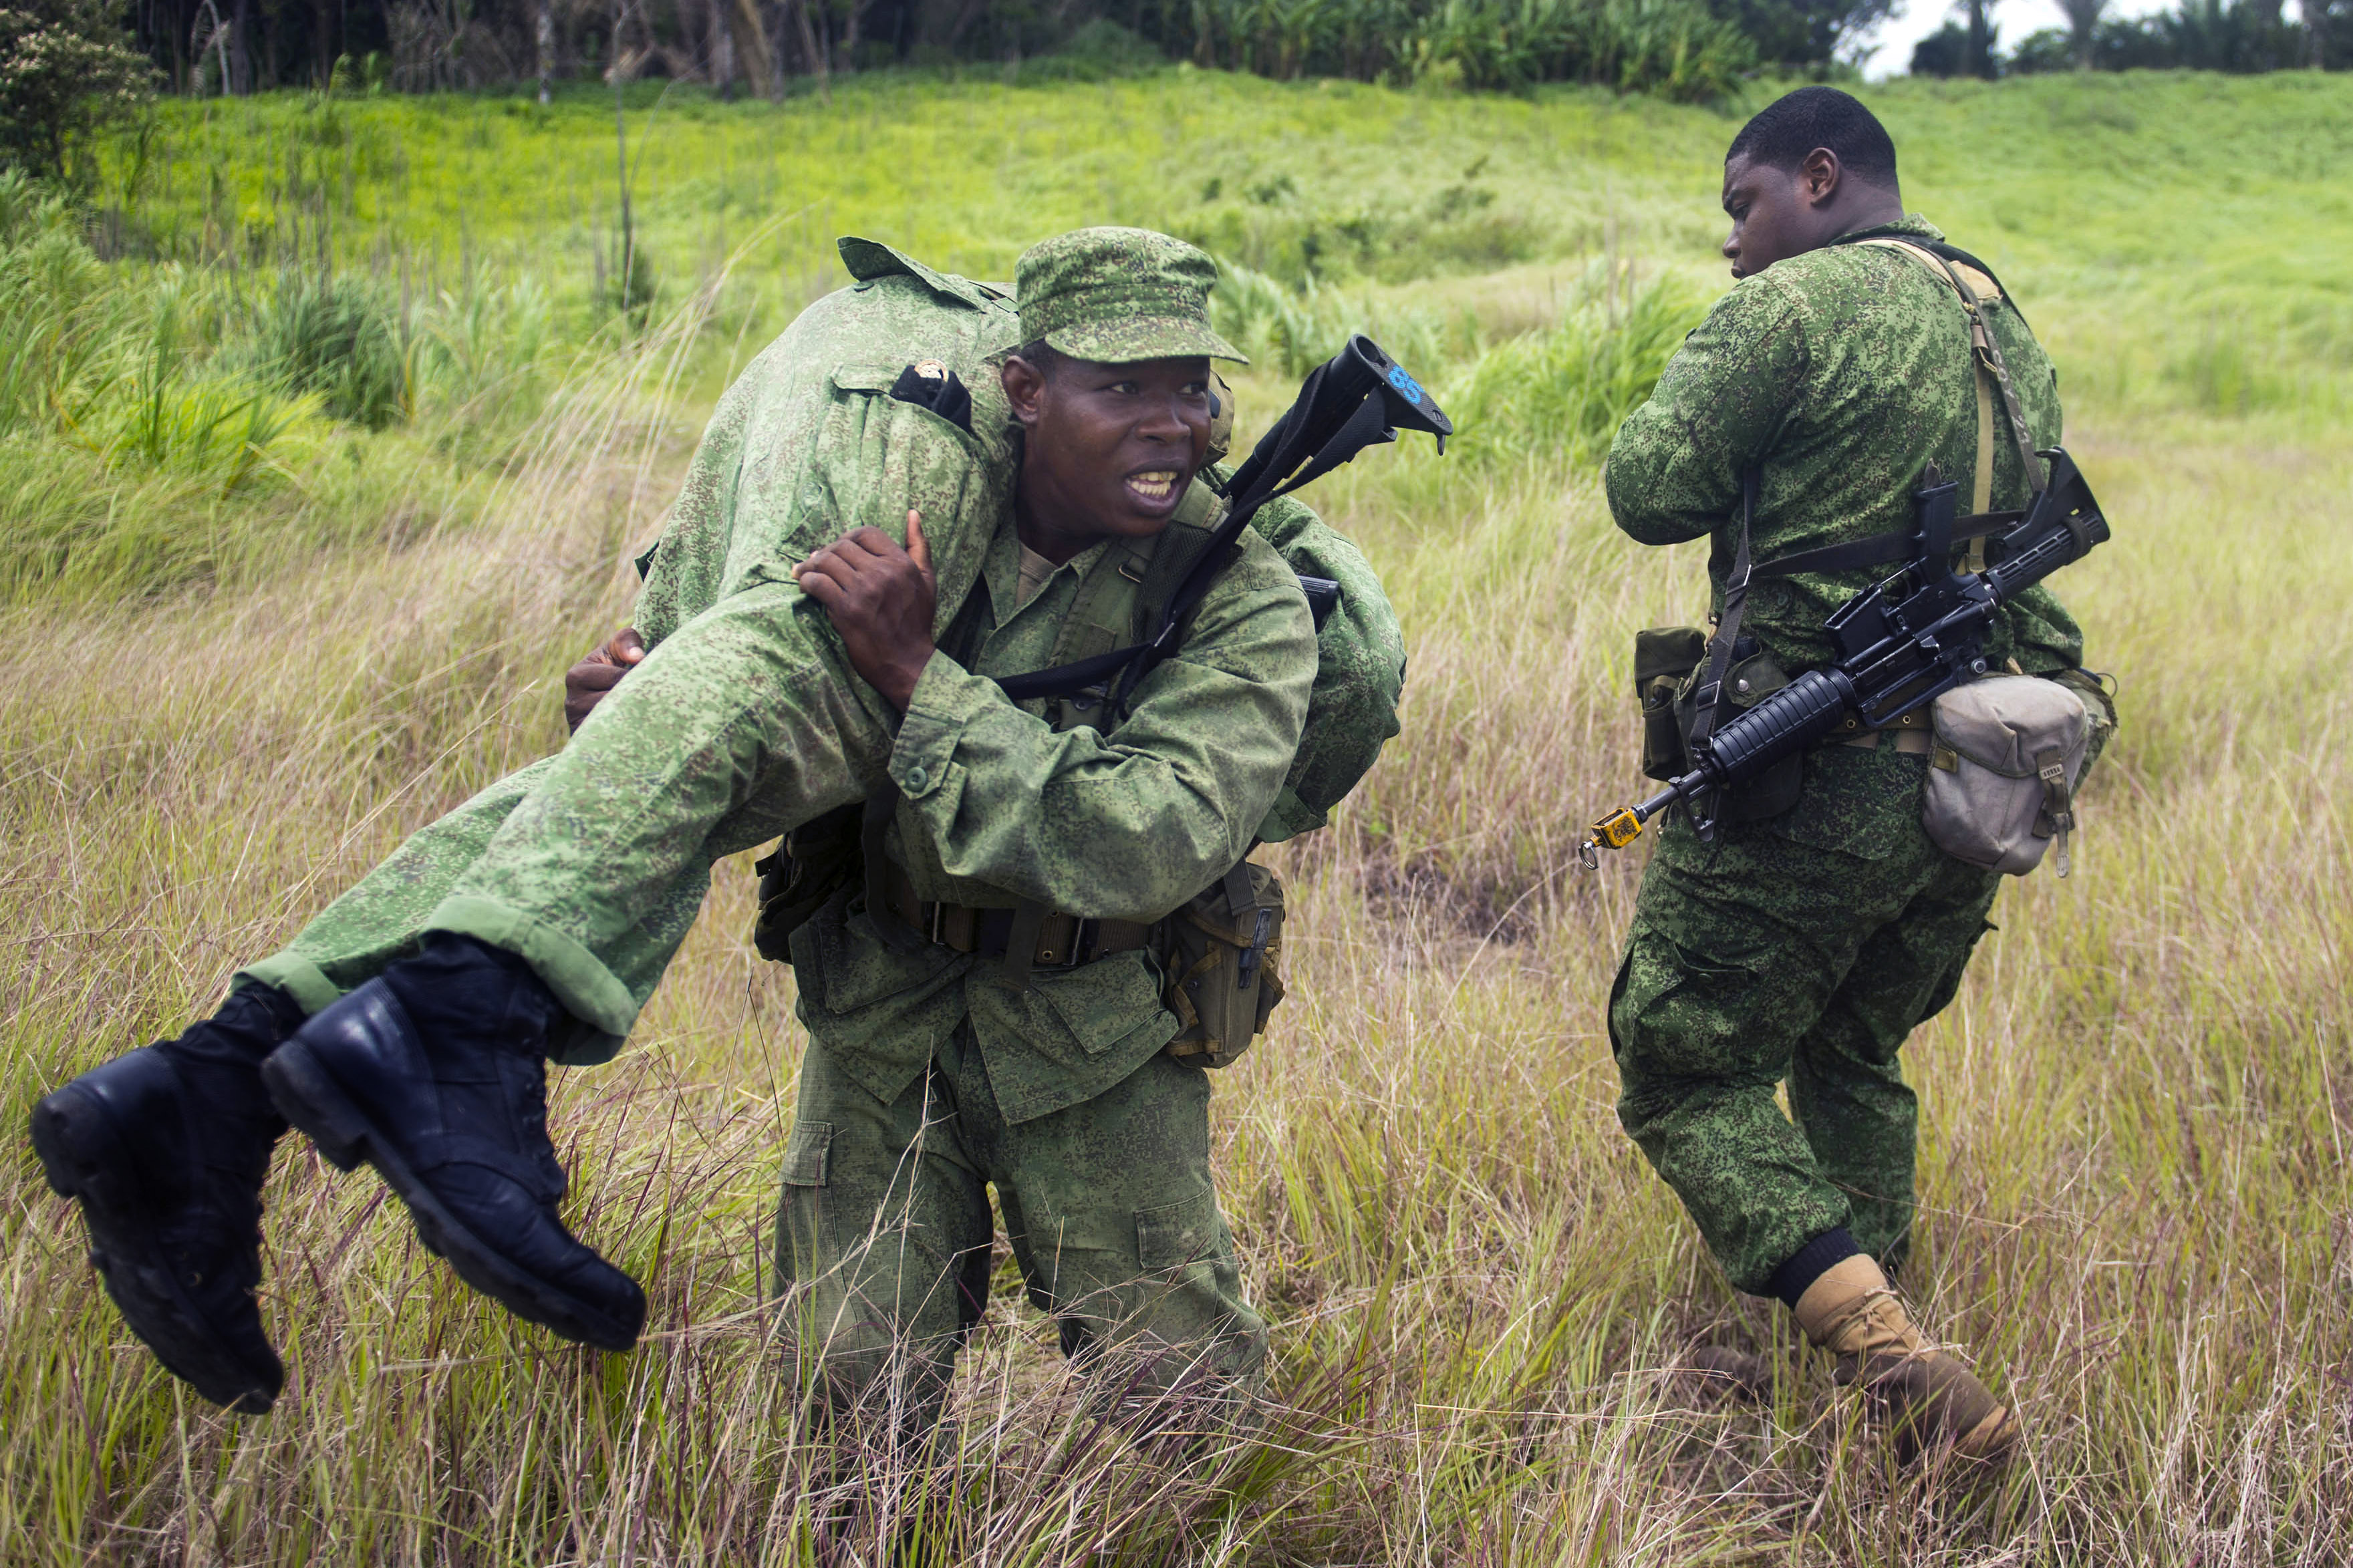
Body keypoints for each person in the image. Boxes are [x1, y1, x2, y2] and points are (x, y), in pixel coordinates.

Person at [30, 228, 1333, 1433]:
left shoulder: (1239, 594)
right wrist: (650, 701)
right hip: (878, 1019)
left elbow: (1144, 835)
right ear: (1025, 389)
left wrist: (917, 681)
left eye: (1194, 389)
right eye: (1124, 389)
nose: (1173, 426)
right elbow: (751, 682)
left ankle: (279, 1068)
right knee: (845, 1386)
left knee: (1185, 1391)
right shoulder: (898, 509)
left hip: (1092, 1041)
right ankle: (227, 1078)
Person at [1603, 88, 2114, 1465]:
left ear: (1819, 179)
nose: (1733, 243)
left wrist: (1712, 359)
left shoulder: (1789, 312)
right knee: (1851, 1049)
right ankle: (1878, 1321)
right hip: (1965, 787)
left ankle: (1887, 1358)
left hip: (1806, 780)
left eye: (1744, 206)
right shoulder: (2002, 322)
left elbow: (1646, 486)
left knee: (1681, 1071)